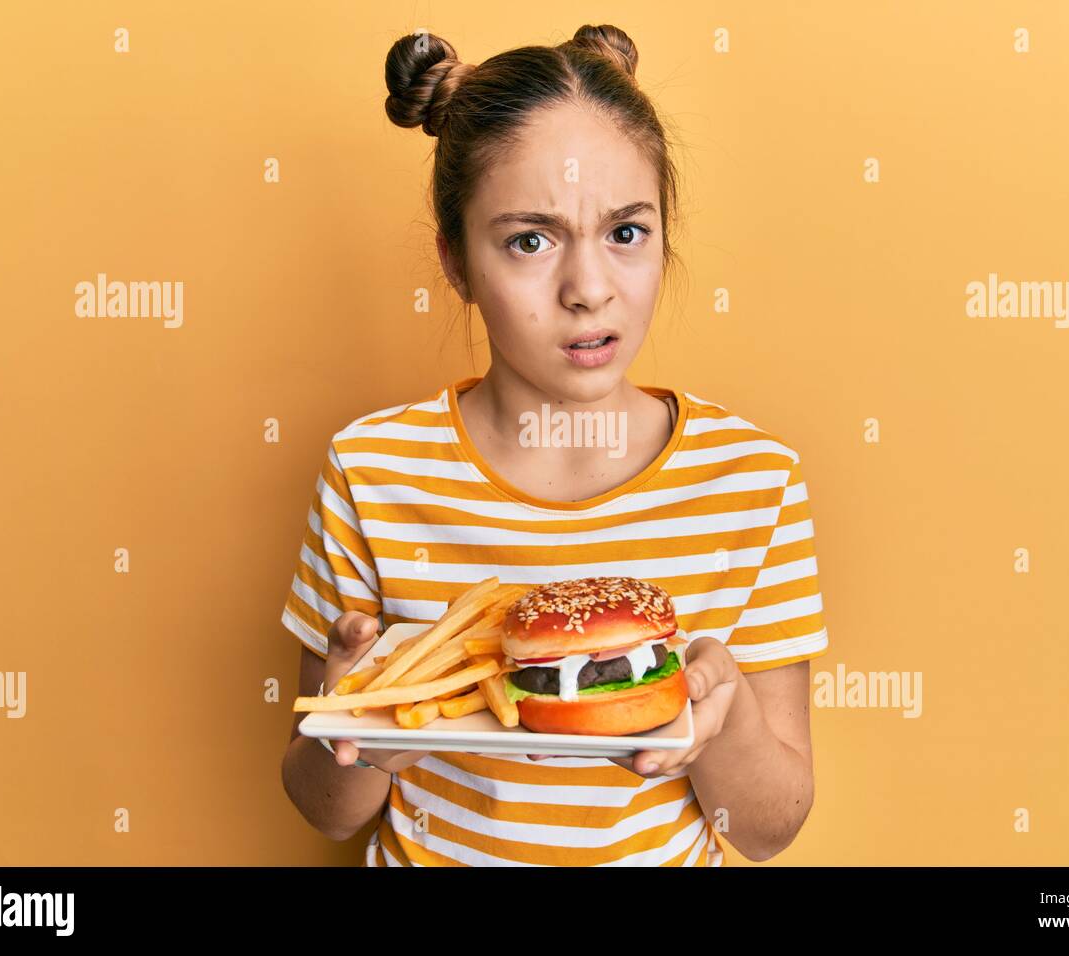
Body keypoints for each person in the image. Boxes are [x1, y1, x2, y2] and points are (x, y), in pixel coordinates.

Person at [279, 24, 829, 866]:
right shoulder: (372, 471)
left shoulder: (754, 483)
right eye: (529, 240)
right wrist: (359, 730)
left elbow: (769, 828)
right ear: (457, 262)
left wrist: (726, 714)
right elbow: (326, 812)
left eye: (626, 232)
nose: (588, 290)